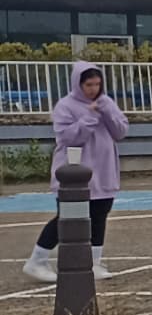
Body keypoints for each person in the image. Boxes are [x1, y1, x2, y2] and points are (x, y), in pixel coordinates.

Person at [23, 61, 129, 283]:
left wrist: (107, 111)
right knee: (68, 217)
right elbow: (68, 137)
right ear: (78, 84)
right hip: (74, 172)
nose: (93, 89)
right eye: (89, 85)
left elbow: (120, 131)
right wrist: (90, 117)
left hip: (104, 170)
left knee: (99, 214)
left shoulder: (106, 101)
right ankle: (37, 260)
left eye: (97, 84)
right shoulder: (65, 106)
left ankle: (93, 262)